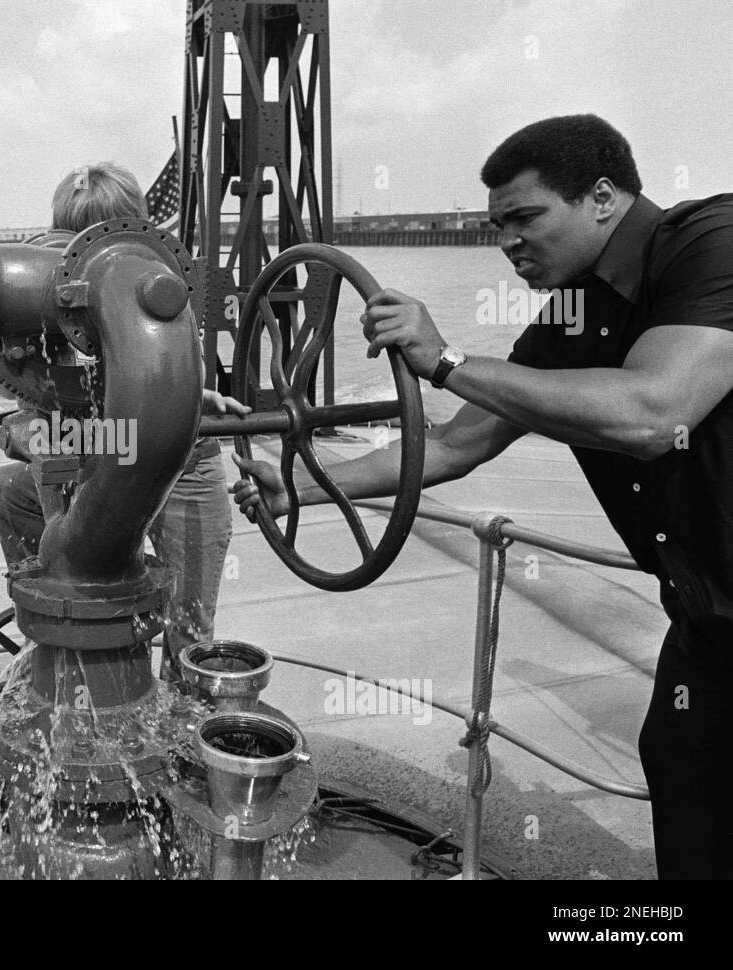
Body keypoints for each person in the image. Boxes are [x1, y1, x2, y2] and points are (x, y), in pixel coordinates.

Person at [231, 114, 733, 879]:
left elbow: (654, 414)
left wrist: (446, 359)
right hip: (707, 630)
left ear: (603, 198)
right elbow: (454, 444)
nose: (507, 242)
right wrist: (298, 484)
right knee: (686, 780)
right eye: (498, 225)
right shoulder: (571, 317)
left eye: (525, 217)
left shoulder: (714, 244)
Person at [0, 162, 249, 669]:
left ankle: (182, 691)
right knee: (10, 498)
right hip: (92, 466)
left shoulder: (158, 290)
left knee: (190, 633)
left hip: (179, 470)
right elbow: (18, 384)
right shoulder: (47, 304)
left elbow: (170, 369)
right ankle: (57, 618)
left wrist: (193, 395)